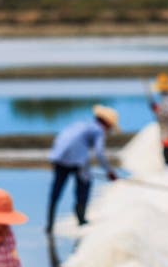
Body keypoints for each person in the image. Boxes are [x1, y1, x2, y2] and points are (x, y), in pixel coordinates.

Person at [46, 104, 120, 247]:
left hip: (59, 157)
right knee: (84, 184)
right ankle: (81, 220)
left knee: (56, 190)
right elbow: (99, 153)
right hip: (76, 159)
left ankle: (49, 225)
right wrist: (110, 172)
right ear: (106, 123)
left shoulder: (81, 124)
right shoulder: (98, 130)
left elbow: (63, 139)